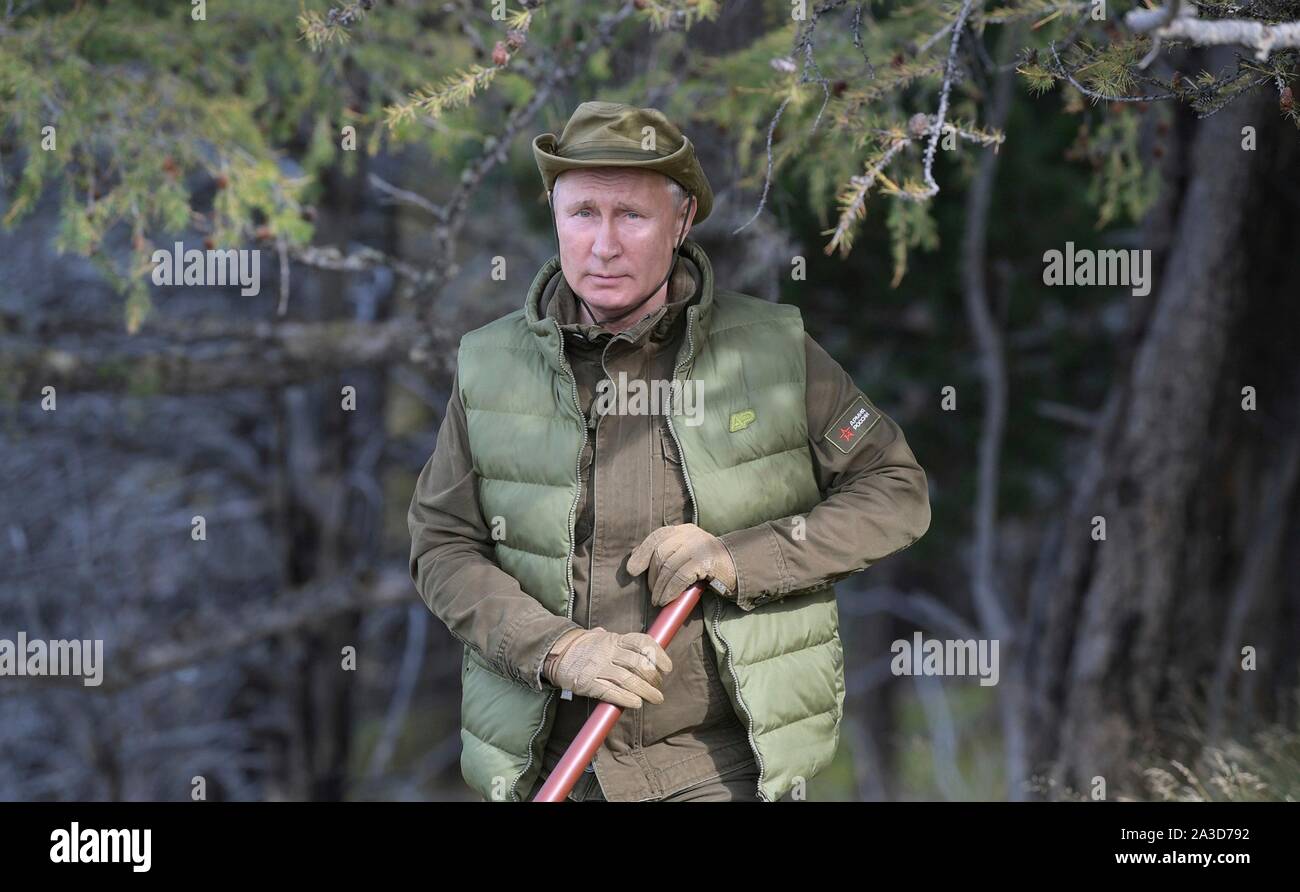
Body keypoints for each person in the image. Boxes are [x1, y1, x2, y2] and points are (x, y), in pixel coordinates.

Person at [408, 100, 931, 802]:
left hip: (717, 768)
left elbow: (895, 492)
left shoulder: (770, 349)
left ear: (681, 222)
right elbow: (442, 544)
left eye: (632, 216)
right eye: (582, 214)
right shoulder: (490, 365)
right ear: (554, 217)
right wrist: (558, 650)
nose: (602, 243)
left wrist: (737, 558)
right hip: (553, 766)